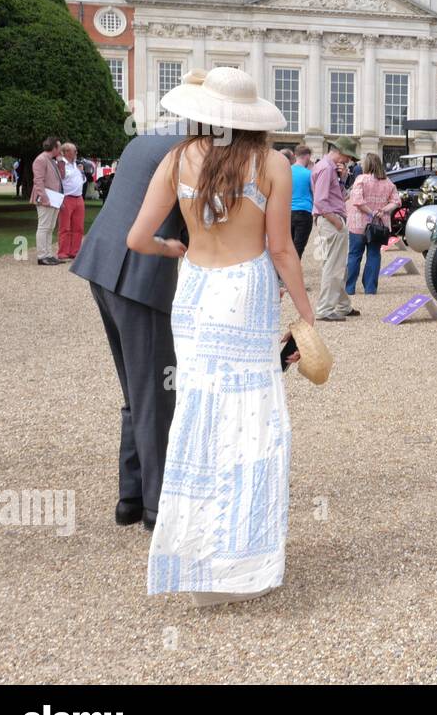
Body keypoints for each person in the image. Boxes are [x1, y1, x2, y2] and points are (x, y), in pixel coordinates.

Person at [126, 66, 314, 607]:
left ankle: (194, 560)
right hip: (246, 297)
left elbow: (140, 237)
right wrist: (306, 316)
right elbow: (281, 250)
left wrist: (173, 249)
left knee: (197, 421)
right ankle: (241, 560)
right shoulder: (272, 163)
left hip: (195, 297)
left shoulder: (176, 158)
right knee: (252, 426)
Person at [72, 131, 186, 531]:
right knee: (156, 393)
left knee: (135, 391)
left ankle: (131, 496)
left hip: (102, 265)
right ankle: (156, 506)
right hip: (140, 278)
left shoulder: (144, 141)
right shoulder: (188, 154)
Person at [311, 136, 361, 322]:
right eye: (348, 156)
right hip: (331, 221)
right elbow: (321, 200)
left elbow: (337, 196)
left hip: (327, 221)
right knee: (334, 267)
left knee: (334, 265)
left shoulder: (326, 167)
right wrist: (337, 222)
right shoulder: (326, 168)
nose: (349, 161)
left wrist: (342, 179)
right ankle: (325, 309)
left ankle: (342, 305)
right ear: (341, 152)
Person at [345, 152, 400, 296]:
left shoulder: (361, 179)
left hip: (358, 223)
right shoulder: (388, 182)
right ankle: (370, 288)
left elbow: (357, 201)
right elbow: (396, 201)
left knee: (354, 255)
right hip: (379, 225)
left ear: (367, 165)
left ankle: (349, 288)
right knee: (374, 255)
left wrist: (371, 212)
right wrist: (382, 211)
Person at [31, 137, 65, 265]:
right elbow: (38, 181)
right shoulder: (41, 159)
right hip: (46, 198)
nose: (61, 150)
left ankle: (48, 254)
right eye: (59, 147)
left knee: (50, 228)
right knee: (44, 227)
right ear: (54, 148)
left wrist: (61, 161)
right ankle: (42, 256)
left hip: (54, 198)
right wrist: (44, 198)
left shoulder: (52, 160)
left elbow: (62, 176)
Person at [55, 143, 87, 261]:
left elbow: (82, 180)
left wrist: (82, 172)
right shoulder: (61, 164)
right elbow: (61, 179)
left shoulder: (75, 165)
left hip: (79, 198)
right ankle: (63, 252)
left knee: (78, 227)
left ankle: (75, 251)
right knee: (65, 227)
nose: (76, 153)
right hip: (66, 197)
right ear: (67, 152)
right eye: (74, 151)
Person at [289, 145, 314, 259]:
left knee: (287, 247)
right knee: (298, 248)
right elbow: (315, 192)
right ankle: (292, 273)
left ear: (295, 155)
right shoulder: (309, 174)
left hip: (287, 211)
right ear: (307, 156)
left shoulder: (287, 170)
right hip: (304, 211)